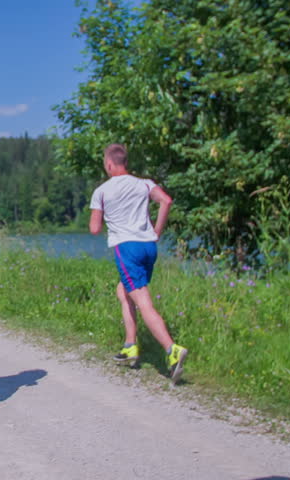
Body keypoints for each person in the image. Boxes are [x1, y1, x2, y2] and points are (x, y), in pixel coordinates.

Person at [88, 143, 189, 384]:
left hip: (127, 248)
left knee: (143, 301)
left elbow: (94, 229)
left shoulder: (102, 191)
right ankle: (130, 345)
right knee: (124, 291)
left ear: (109, 164)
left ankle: (172, 350)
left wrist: (104, 218)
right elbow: (166, 201)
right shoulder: (144, 183)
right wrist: (156, 232)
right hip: (148, 246)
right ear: (125, 162)